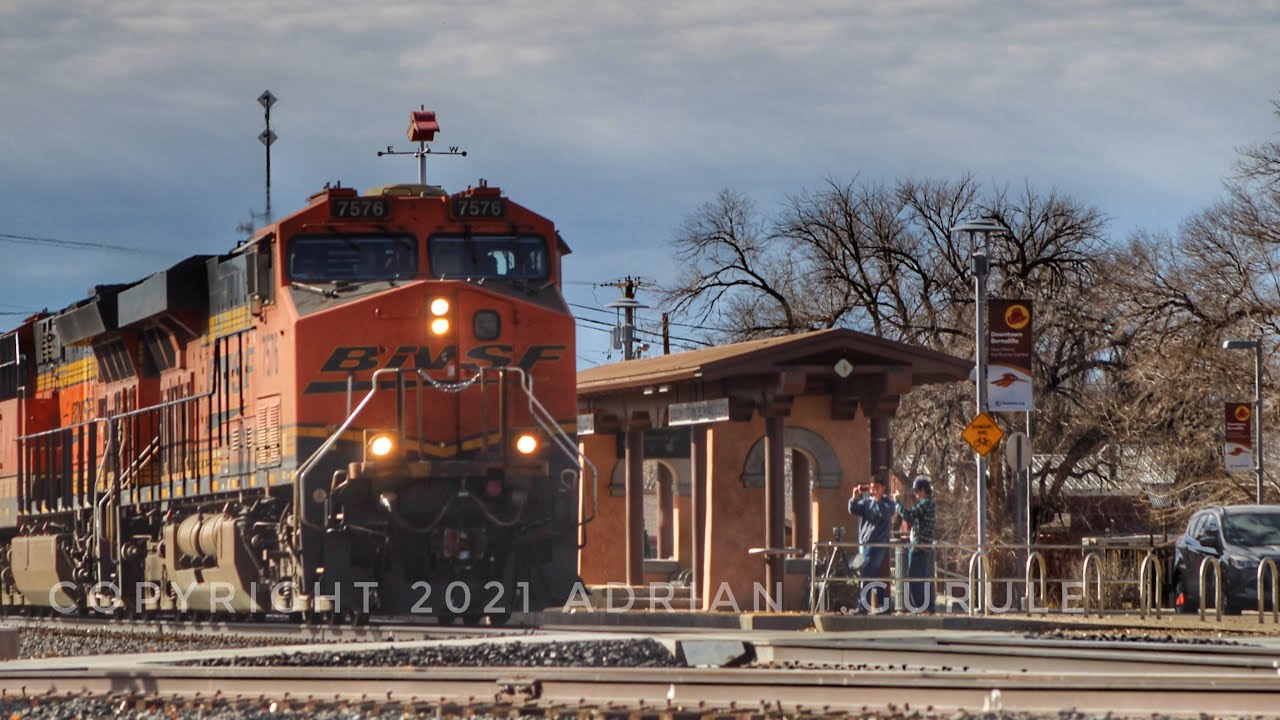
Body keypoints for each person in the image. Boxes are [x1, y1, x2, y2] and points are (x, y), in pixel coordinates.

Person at [847, 477, 896, 612]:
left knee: (867, 574)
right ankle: (884, 605)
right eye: (871, 488)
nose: (873, 491)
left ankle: (863, 606)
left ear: (882, 489)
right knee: (872, 574)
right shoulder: (866, 502)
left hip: (878, 544)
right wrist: (854, 498)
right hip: (866, 543)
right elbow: (853, 510)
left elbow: (886, 514)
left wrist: (879, 500)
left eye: (876, 488)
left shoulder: (888, 503)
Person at [894, 475, 937, 613]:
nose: (915, 494)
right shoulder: (929, 503)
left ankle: (921, 606)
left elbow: (908, 515)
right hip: (923, 545)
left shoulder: (925, 503)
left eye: (917, 491)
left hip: (919, 545)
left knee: (914, 578)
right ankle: (928, 606)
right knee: (924, 577)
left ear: (923, 490)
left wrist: (897, 503)